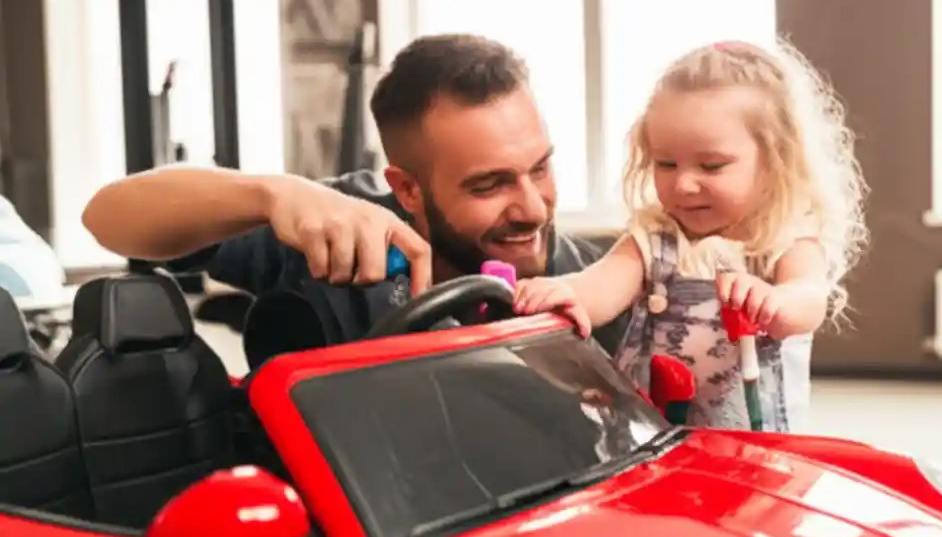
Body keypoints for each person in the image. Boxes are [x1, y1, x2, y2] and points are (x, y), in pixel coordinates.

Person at [81, 33, 628, 355]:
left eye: (540, 168)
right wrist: (271, 193)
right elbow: (106, 217)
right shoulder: (335, 229)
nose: (532, 208)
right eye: (490, 185)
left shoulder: (601, 286)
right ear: (407, 189)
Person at [513, 39, 869, 433]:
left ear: (775, 160)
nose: (683, 184)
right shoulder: (656, 237)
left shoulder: (786, 238)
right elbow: (601, 285)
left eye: (711, 166)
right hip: (656, 432)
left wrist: (775, 302)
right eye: (666, 164)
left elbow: (808, 298)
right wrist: (564, 291)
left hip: (755, 437)